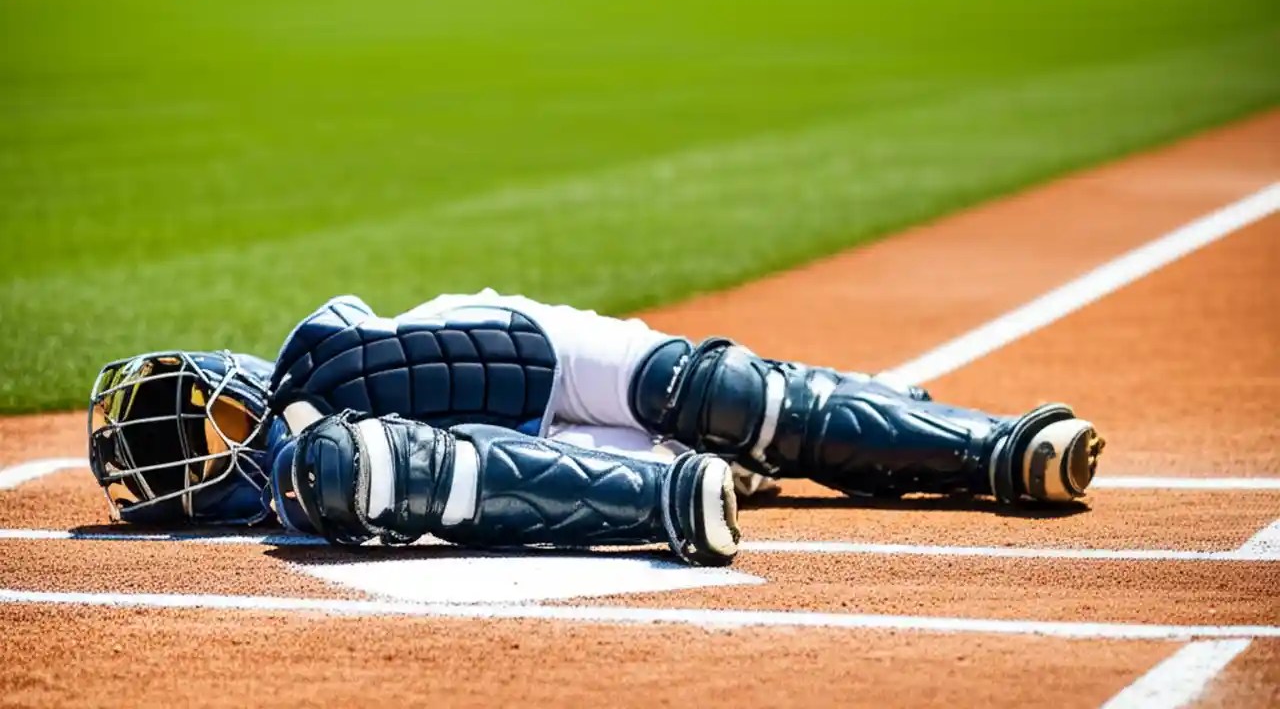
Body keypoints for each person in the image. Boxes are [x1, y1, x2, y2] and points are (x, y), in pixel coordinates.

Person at [86, 290, 1105, 565]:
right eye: (198, 441)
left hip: (536, 351)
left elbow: (415, 345)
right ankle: (674, 496)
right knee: (338, 473)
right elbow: (334, 472)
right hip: (537, 458)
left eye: (213, 407)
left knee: (720, 394)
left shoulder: (321, 355)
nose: (224, 427)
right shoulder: (303, 476)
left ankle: (997, 449)